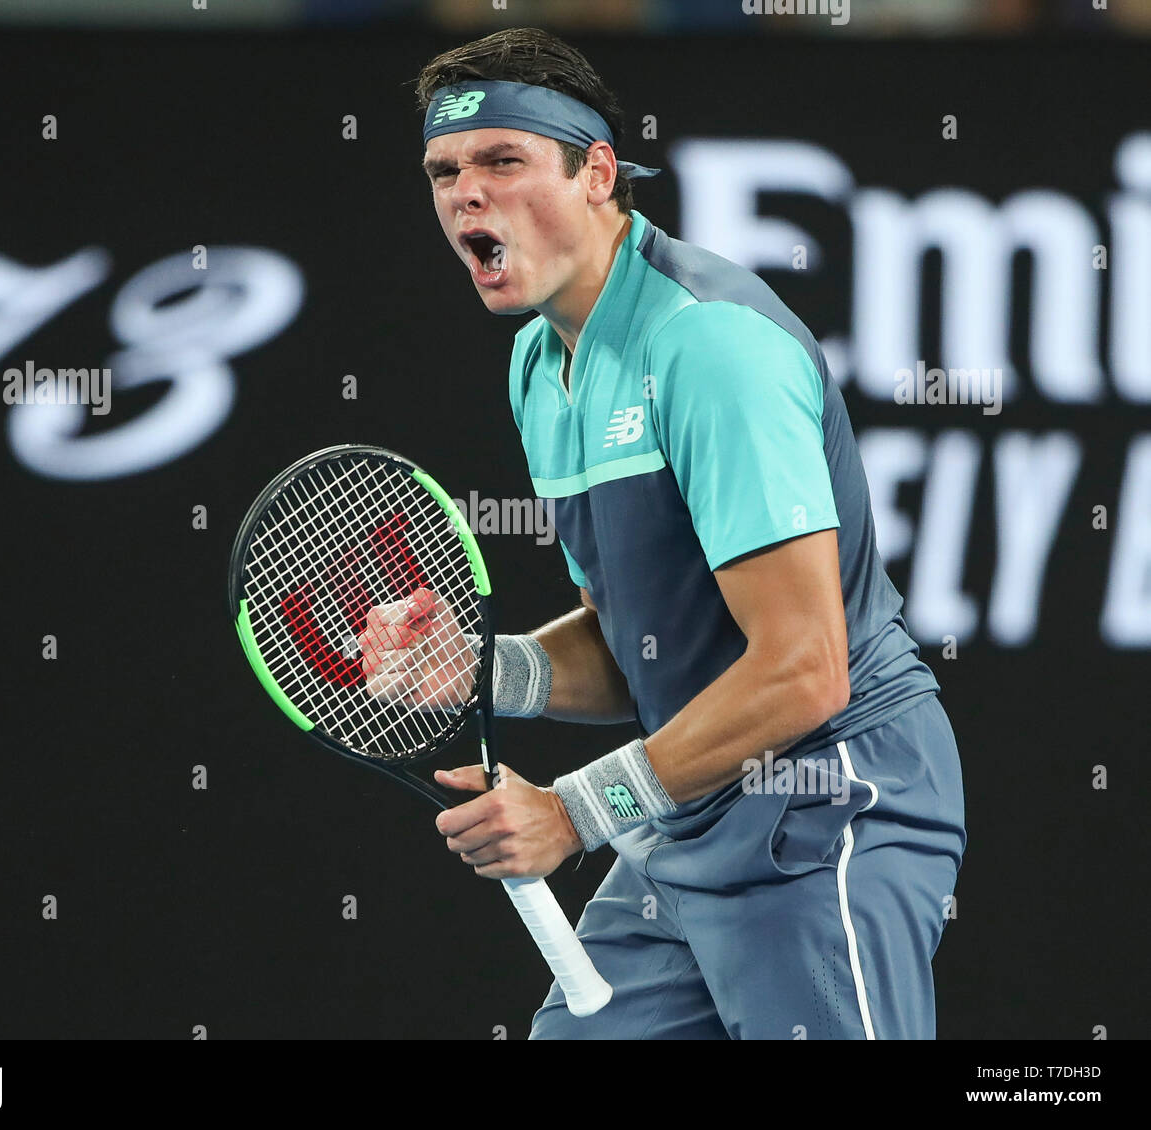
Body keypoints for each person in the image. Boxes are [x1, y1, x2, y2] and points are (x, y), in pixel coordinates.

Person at [362, 26, 966, 1040]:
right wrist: (480, 671)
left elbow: (804, 669)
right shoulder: (536, 368)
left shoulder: (708, 343)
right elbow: (641, 642)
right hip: (690, 815)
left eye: (503, 160)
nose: (466, 193)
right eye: (444, 170)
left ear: (598, 171)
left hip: (824, 809)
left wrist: (572, 812)